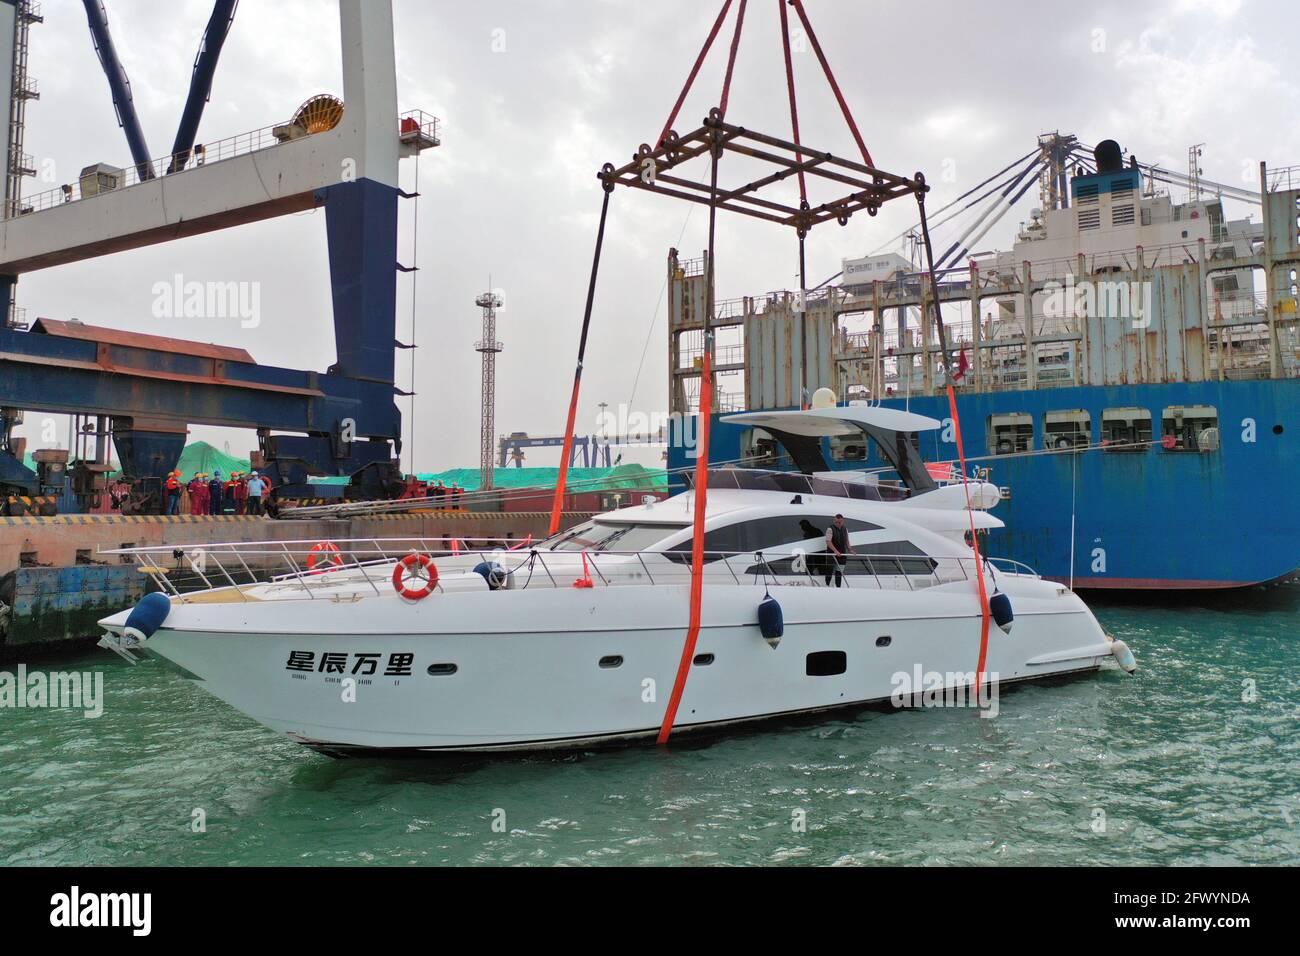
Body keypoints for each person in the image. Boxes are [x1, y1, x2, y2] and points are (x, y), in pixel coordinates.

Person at [824, 513, 852, 588]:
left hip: (842, 554)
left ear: (843, 521)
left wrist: (850, 549)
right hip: (831, 554)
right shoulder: (830, 529)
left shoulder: (845, 529)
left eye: (839, 522)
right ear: (834, 521)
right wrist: (835, 551)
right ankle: (827, 586)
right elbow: (828, 541)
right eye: (836, 522)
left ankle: (838, 587)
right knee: (829, 570)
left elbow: (846, 541)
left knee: (839, 572)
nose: (838, 524)